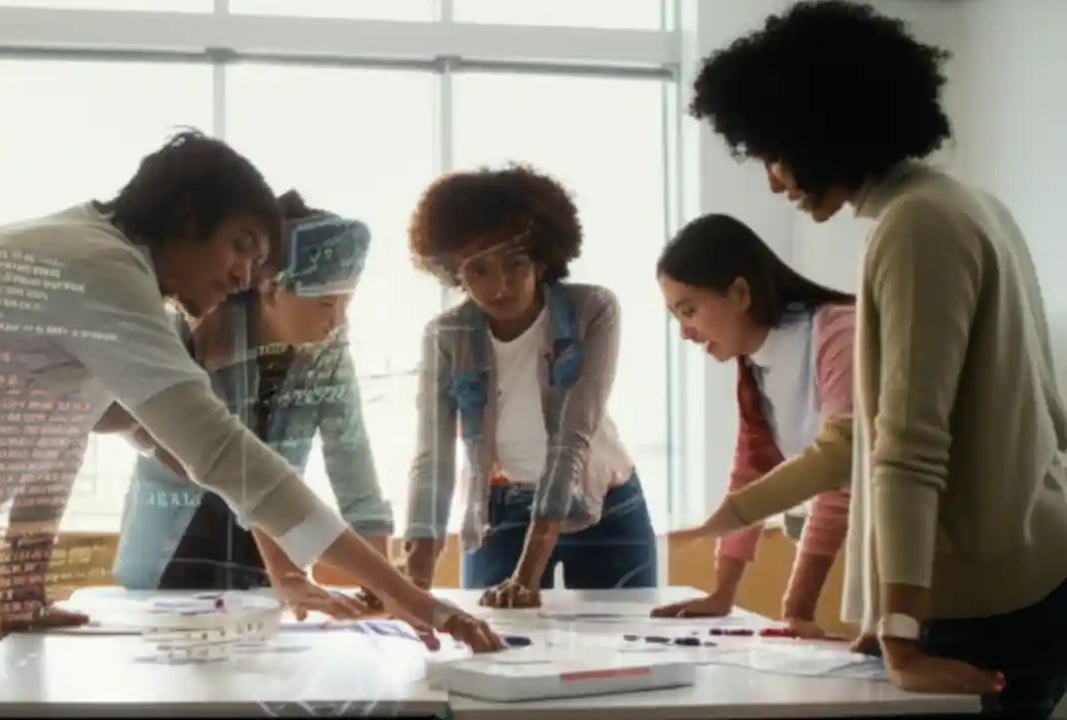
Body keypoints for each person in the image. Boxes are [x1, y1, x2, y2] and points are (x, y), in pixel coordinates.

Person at [0, 130, 500, 720]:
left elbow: (91, 431)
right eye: (243, 246)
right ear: (187, 216)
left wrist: (26, 588)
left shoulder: (90, 262)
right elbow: (218, 449)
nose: (247, 275)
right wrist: (415, 600)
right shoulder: (99, 270)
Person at [683, 1, 1067, 713]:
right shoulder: (963, 204)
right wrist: (732, 515)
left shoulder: (916, 226)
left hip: (981, 606)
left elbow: (909, 447)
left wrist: (900, 635)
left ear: (820, 132)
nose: (774, 180)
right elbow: (858, 436)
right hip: (1021, 577)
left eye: (773, 153)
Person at [112, 189, 393, 620]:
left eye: (346, 304)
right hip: (178, 538)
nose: (337, 320)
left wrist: (383, 582)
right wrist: (289, 575)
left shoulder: (328, 354)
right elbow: (235, 466)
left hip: (273, 535)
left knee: (268, 665)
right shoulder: (197, 334)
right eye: (326, 304)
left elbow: (351, 459)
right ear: (271, 289)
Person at [402, 164, 658, 608]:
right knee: (491, 642)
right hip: (501, 507)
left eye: (515, 263)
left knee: (620, 647)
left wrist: (527, 576)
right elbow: (433, 456)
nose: (498, 285)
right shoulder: (446, 335)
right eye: (477, 270)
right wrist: (415, 574)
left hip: (605, 505)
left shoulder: (592, 309)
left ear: (541, 257)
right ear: (456, 275)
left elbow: (571, 440)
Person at [650, 213, 854, 638]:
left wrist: (796, 610)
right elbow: (752, 474)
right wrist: (724, 593)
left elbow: (839, 471)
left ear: (740, 293)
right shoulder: (754, 366)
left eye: (689, 310)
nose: (686, 332)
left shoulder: (838, 334)